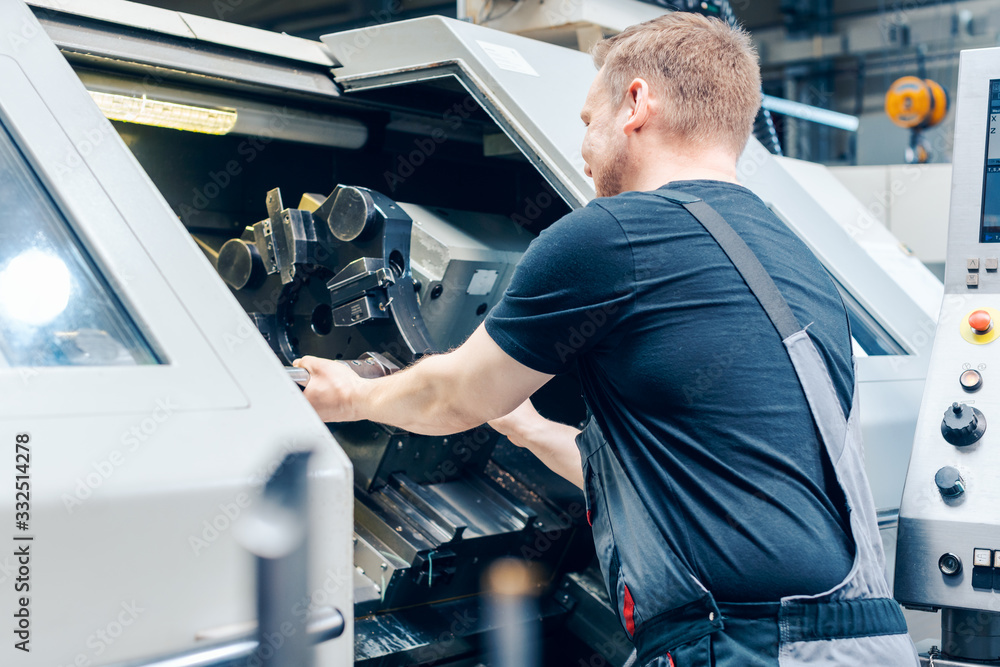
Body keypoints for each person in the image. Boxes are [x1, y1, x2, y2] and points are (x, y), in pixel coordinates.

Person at [294, 12, 919, 667]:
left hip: (745, 643)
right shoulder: (801, 263)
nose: (584, 150)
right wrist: (529, 429)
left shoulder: (613, 234)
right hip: (863, 639)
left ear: (637, 103)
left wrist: (352, 395)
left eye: (587, 122)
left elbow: (453, 396)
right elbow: (696, 476)